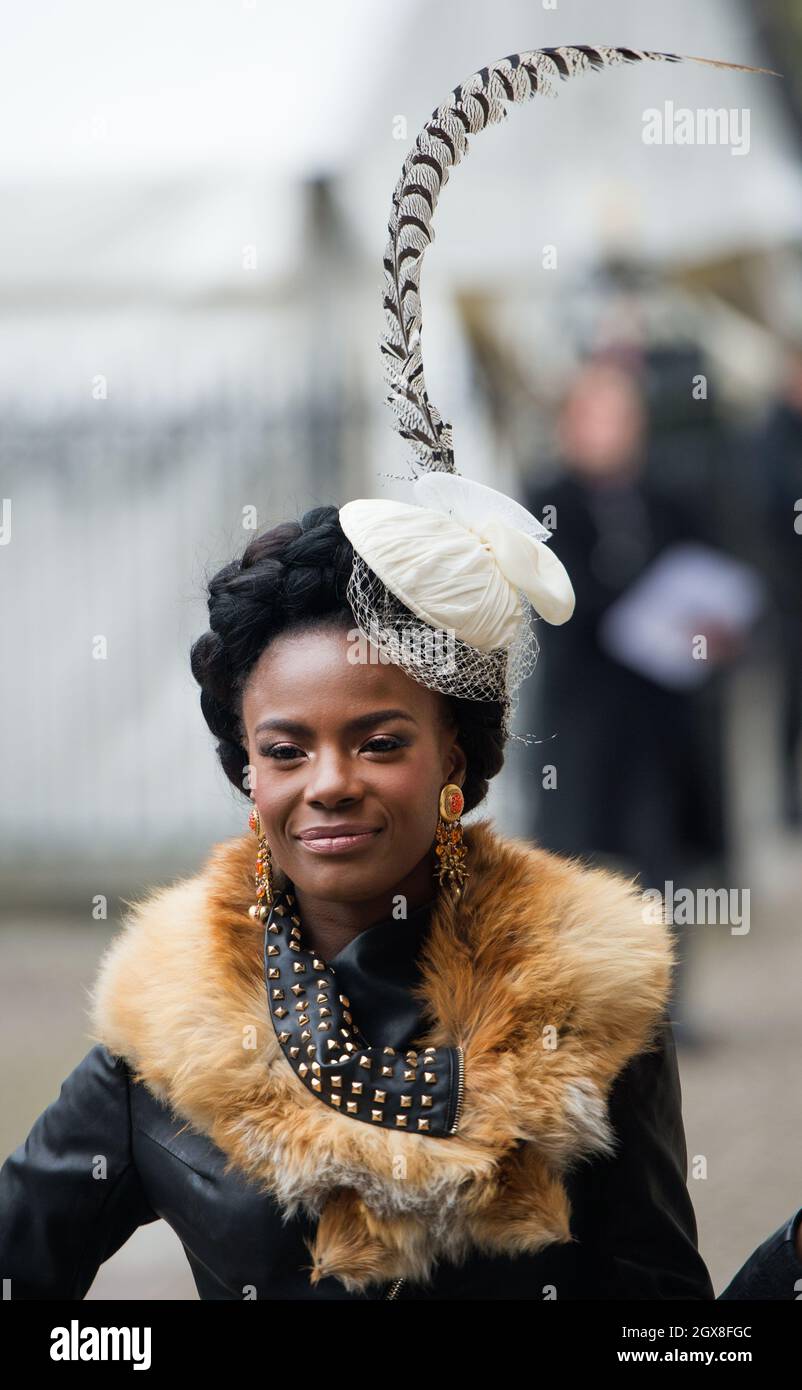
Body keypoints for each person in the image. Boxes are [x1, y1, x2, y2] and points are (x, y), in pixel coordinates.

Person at [0, 42, 797, 1302]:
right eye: (284, 748)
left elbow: (666, 1326)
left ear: (456, 769)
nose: (329, 782)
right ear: (244, 769)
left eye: (378, 740)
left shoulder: (588, 1008)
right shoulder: (165, 1032)